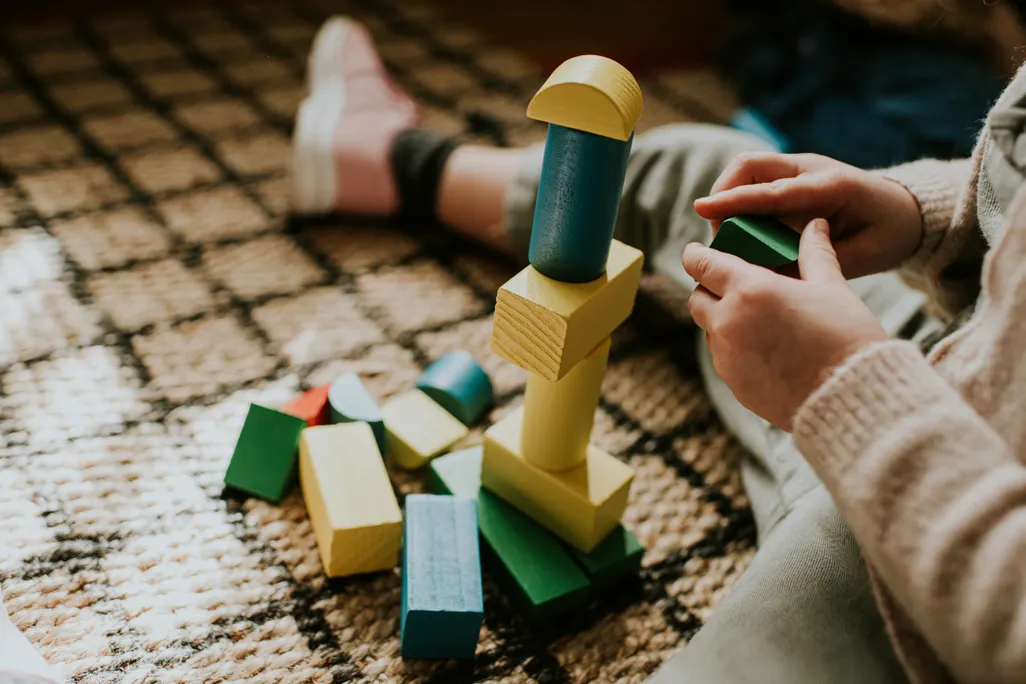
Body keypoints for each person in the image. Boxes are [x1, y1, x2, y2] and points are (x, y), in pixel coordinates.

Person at [293, 15, 1026, 684]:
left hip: (939, 588)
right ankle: (392, 159)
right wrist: (920, 212)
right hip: (956, 348)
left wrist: (843, 388)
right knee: (710, 174)